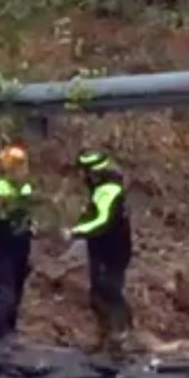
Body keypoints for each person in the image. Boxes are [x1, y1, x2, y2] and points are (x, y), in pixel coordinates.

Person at [68, 150, 132, 354]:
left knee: (109, 289)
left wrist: (76, 231)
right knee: (96, 293)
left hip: (113, 248)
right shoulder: (99, 188)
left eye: (85, 173)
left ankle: (120, 334)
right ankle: (104, 336)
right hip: (99, 247)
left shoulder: (109, 190)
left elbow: (101, 220)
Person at [0, 144, 36, 352]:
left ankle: (10, 330)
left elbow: (27, 214)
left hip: (20, 247)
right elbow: (1, 213)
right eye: (20, 166)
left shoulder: (24, 187)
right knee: (6, 292)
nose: (24, 170)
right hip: (0, 248)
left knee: (17, 290)